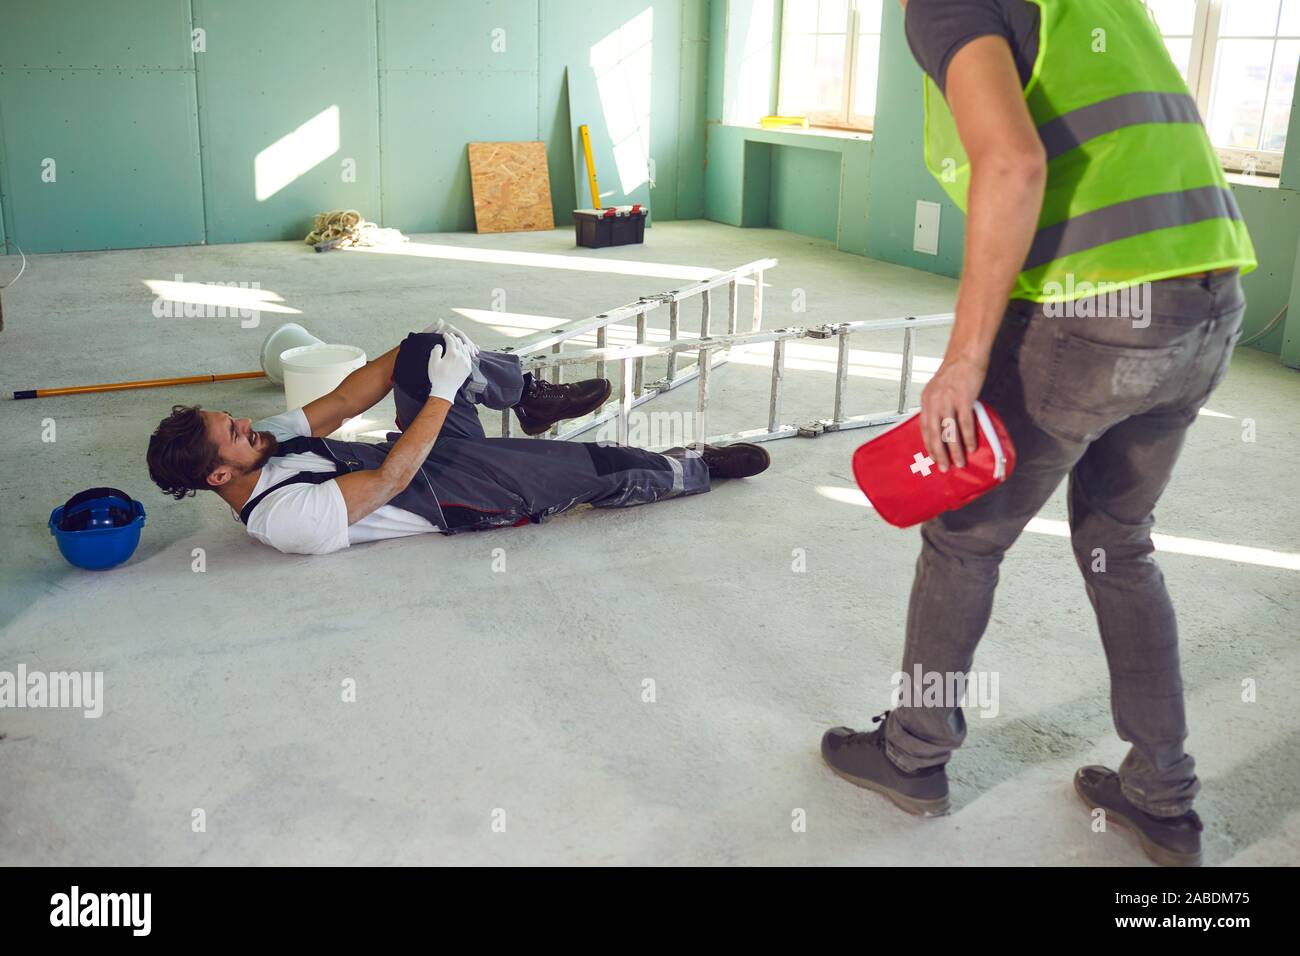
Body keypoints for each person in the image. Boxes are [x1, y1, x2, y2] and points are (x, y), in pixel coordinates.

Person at [821, 0, 1256, 867]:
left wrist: (963, 360)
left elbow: (1014, 163)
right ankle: (1162, 797)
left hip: (1095, 309)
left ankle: (913, 755)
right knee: (1119, 545)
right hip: (1207, 301)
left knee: (963, 539)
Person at [147, 321, 770, 555]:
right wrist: (444, 393)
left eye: (235, 419)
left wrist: (427, 358)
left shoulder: (265, 448)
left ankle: (528, 397)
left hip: (424, 451)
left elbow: (340, 402)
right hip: (446, 492)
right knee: (601, 466)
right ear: (219, 477)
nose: (247, 425)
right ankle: (694, 468)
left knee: (425, 349)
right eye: (233, 433)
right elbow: (391, 481)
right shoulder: (285, 519)